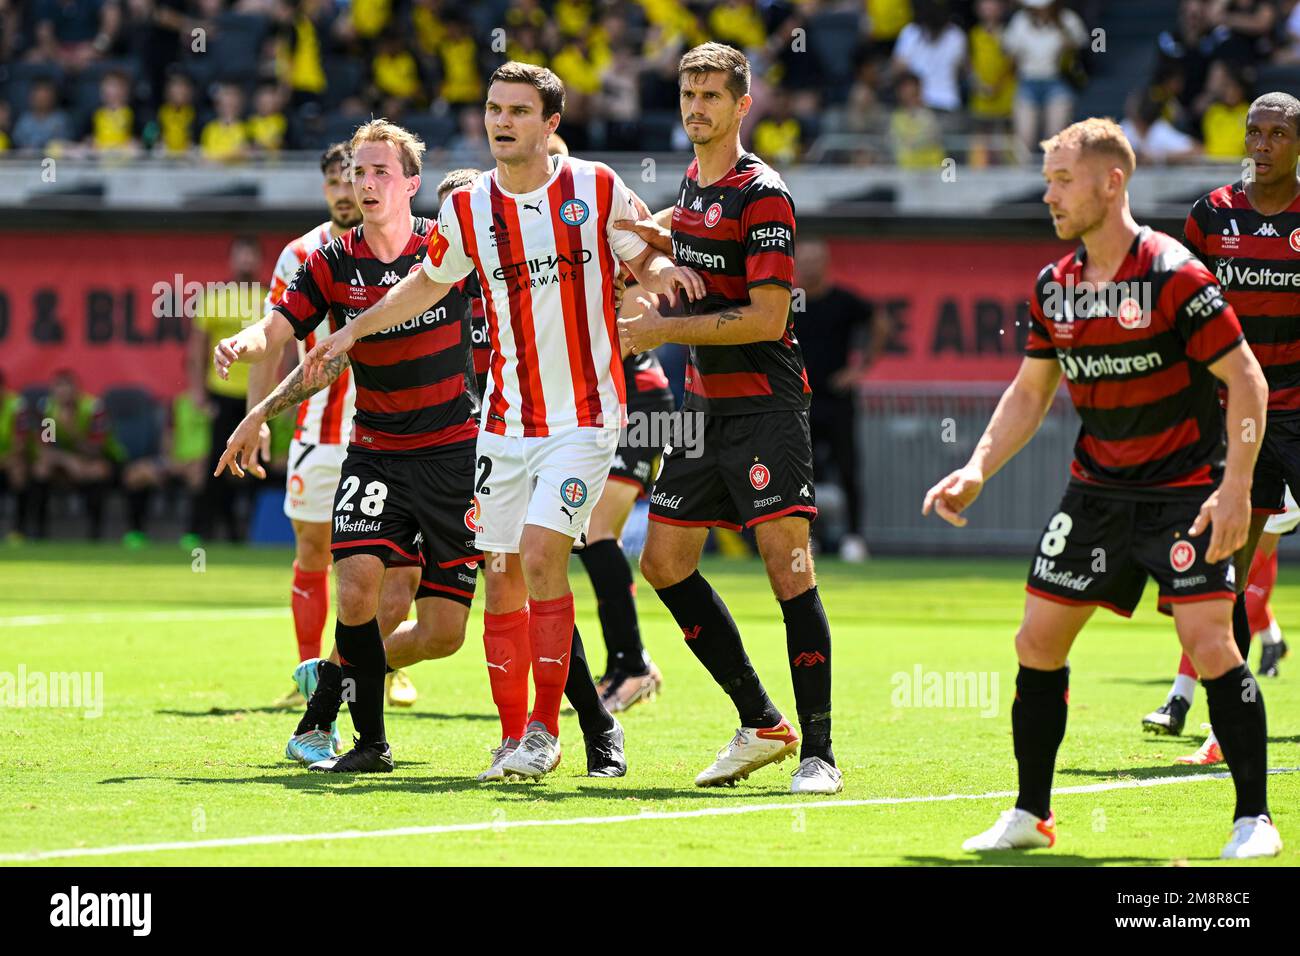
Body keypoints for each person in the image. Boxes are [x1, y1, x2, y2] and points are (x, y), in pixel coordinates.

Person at [305, 62, 702, 782]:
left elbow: (648, 257)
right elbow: (426, 282)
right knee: (503, 575)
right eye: (493, 108)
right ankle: (518, 734)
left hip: (583, 417)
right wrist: (351, 332)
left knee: (547, 554)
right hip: (503, 422)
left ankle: (547, 733)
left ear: (551, 125)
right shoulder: (467, 209)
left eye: (519, 110)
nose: (501, 121)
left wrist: (663, 292)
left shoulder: (595, 188)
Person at [923, 118, 1280, 859]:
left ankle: (1254, 820)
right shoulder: (1054, 286)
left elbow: (1247, 379)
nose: (1049, 194)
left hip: (1185, 490)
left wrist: (1237, 486)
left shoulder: (1173, 273)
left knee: (1211, 644)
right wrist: (976, 468)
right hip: (1096, 494)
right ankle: (1030, 815)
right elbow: (1028, 393)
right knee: (1036, 641)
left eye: (1061, 179)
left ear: (1110, 182)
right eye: (1048, 178)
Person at [214, 121, 484, 772]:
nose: (365, 184)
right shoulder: (329, 264)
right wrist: (249, 372)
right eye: (357, 173)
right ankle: (369, 744)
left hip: (454, 452)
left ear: (411, 185)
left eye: (379, 172)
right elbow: (281, 332)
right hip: (375, 451)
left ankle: (331, 683)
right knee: (358, 591)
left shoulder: (448, 250)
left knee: (443, 634)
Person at [615, 43, 841, 795]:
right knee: (663, 562)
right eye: (688, 94)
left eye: (712, 96)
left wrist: (660, 331)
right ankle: (761, 721)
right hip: (702, 410)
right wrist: (647, 232)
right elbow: (690, 221)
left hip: (766, 407)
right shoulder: (696, 184)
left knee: (788, 567)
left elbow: (768, 317)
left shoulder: (763, 194)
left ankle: (820, 754)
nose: (696, 107)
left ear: (743, 106)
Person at [1142, 92, 1300, 762]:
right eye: (1253, 133)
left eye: (1277, 135)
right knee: (1224, 565)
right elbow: (1184, 314)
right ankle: (1225, 725)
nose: (1261, 146)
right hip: (1234, 415)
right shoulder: (1209, 216)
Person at [793, 238, 885, 562]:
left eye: (815, 260)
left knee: (848, 467)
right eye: (803, 259)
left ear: (826, 263)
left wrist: (860, 369)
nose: (809, 266)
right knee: (802, 472)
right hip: (799, 401)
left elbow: (879, 322)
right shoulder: (790, 301)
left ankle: (854, 537)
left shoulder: (843, 301)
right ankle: (809, 538)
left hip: (837, 399)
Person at [188, 236, 263, 544]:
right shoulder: (214, 298)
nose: (245, 261)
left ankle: (247, 534)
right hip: (222, 390)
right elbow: (197, 350)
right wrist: (197, 392)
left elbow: (284, 346)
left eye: (250, 255)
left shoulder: (269, 297)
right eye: (240, 255)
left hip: (258, 395)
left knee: (256, 463)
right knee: (217, 462)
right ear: (232, 260)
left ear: (258, 260)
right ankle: (201, 531)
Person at [1001, 0, 1088, 157]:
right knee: (1024, 140)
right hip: (1027, 81)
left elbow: (1081, 45)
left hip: (1058, 81)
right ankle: (1022, 178)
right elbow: (1008, 51)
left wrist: (1062, 30)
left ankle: (1054, 177)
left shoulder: (1068, 19)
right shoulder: (1020, 21)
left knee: (1055, 138)